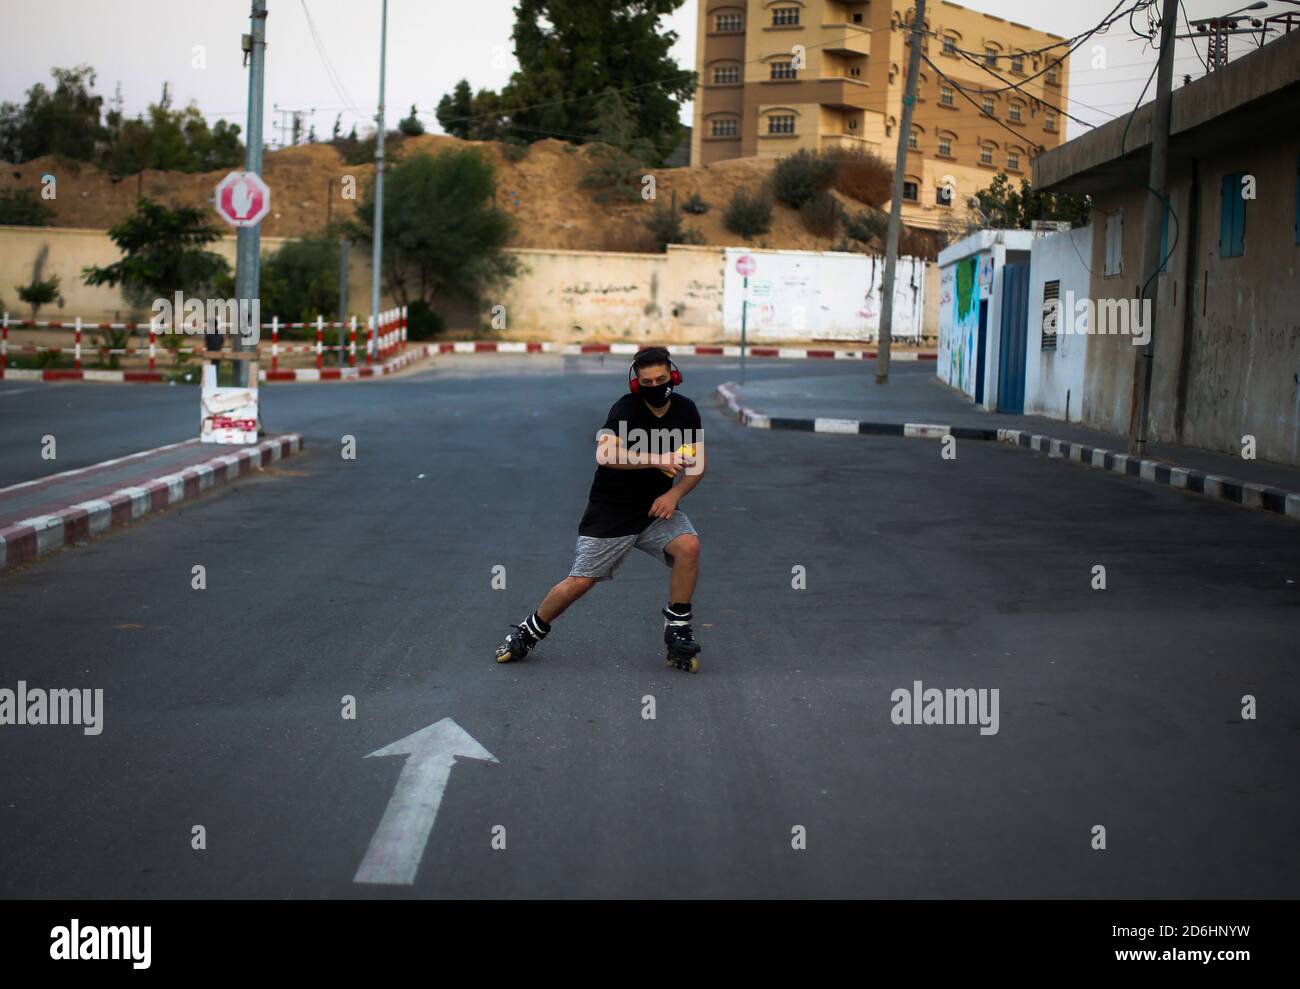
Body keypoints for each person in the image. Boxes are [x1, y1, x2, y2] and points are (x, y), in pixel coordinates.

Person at [495, 346, 708, 672]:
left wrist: (674, 494)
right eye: (647, 381)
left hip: (655, 508)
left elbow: (698, 464)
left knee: (689, 546)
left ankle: (677, 630)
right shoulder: (626, 409)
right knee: (580, 581)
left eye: (661, 379)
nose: (655, 386)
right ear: (637, 384)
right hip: (613, 509)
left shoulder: (686, 411)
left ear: (674, 377)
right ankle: (529, 631)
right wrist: (658, 459)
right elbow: (605, 455)